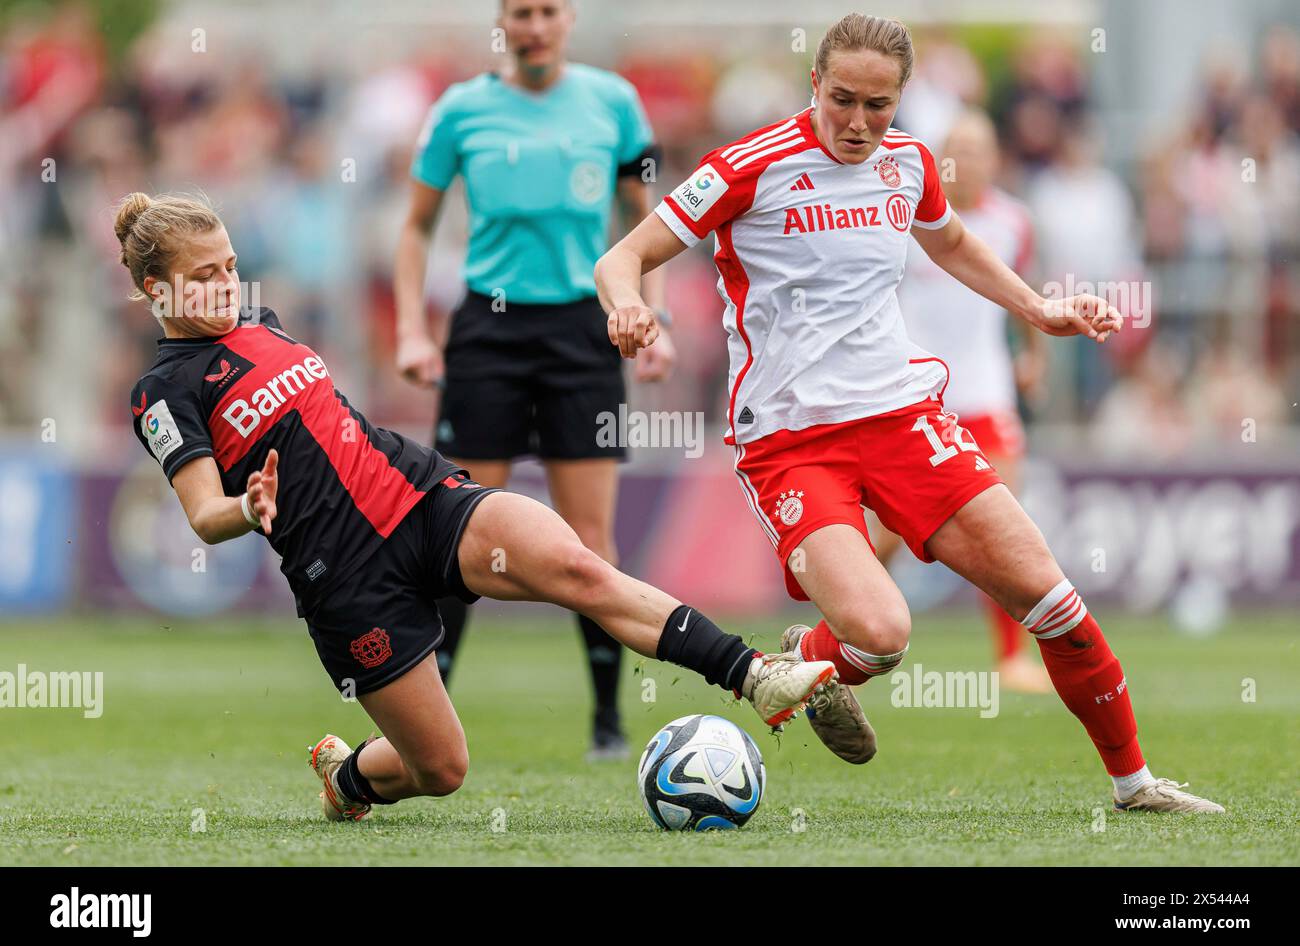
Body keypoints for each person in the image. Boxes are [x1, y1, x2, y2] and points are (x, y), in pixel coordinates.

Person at [595, 14, 1223, 812]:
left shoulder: (909, 163)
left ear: (903, 100)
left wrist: (1038, 308)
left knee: (1054, 601)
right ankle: (800, 663)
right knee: (883, 635)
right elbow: (623, 257)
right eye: (844, 101)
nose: (860, 123)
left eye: (880, 105)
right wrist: (627, 309)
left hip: (902, 419)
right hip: (792, 442)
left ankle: (1135, 786)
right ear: (814, 84)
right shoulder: (746, 166)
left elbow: (952, 241)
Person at [118, 191, 839, 823]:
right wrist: (248, 505)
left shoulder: (263, 321)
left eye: (230, 266)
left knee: (578, 568)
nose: (224, 285)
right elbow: (205, 514)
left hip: (422, 498)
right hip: (346, 579)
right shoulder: (164, 392)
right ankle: (347, 776)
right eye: (202, 276)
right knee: (441, 769)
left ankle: (751, 673)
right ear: (157, 289)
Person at [393, 0, 674, 760]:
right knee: (456, 532)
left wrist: (654, 320)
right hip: (486, 331)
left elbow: (649, 226)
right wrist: (414, 329)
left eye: (548, 11)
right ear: (503, 21)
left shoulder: (615, 102)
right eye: (521, 12)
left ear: (569, 17)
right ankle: (430, 718)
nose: (535, 26)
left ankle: (609, 722)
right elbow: (415, 225)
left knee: (590, 538)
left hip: (584, 331)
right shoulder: (460, 110)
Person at [886, 106, 1053, 694]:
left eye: (980, 150)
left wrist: (1033, 356)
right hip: (915, 396)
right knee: (881, 537)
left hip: (986, 392)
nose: (969, 161)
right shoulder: (904, 216)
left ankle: (1010, 658)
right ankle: (847, 639)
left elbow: (1027, 291)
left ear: (995, 159)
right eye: (957, 149)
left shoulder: (1014, 222)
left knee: (1004, 526)